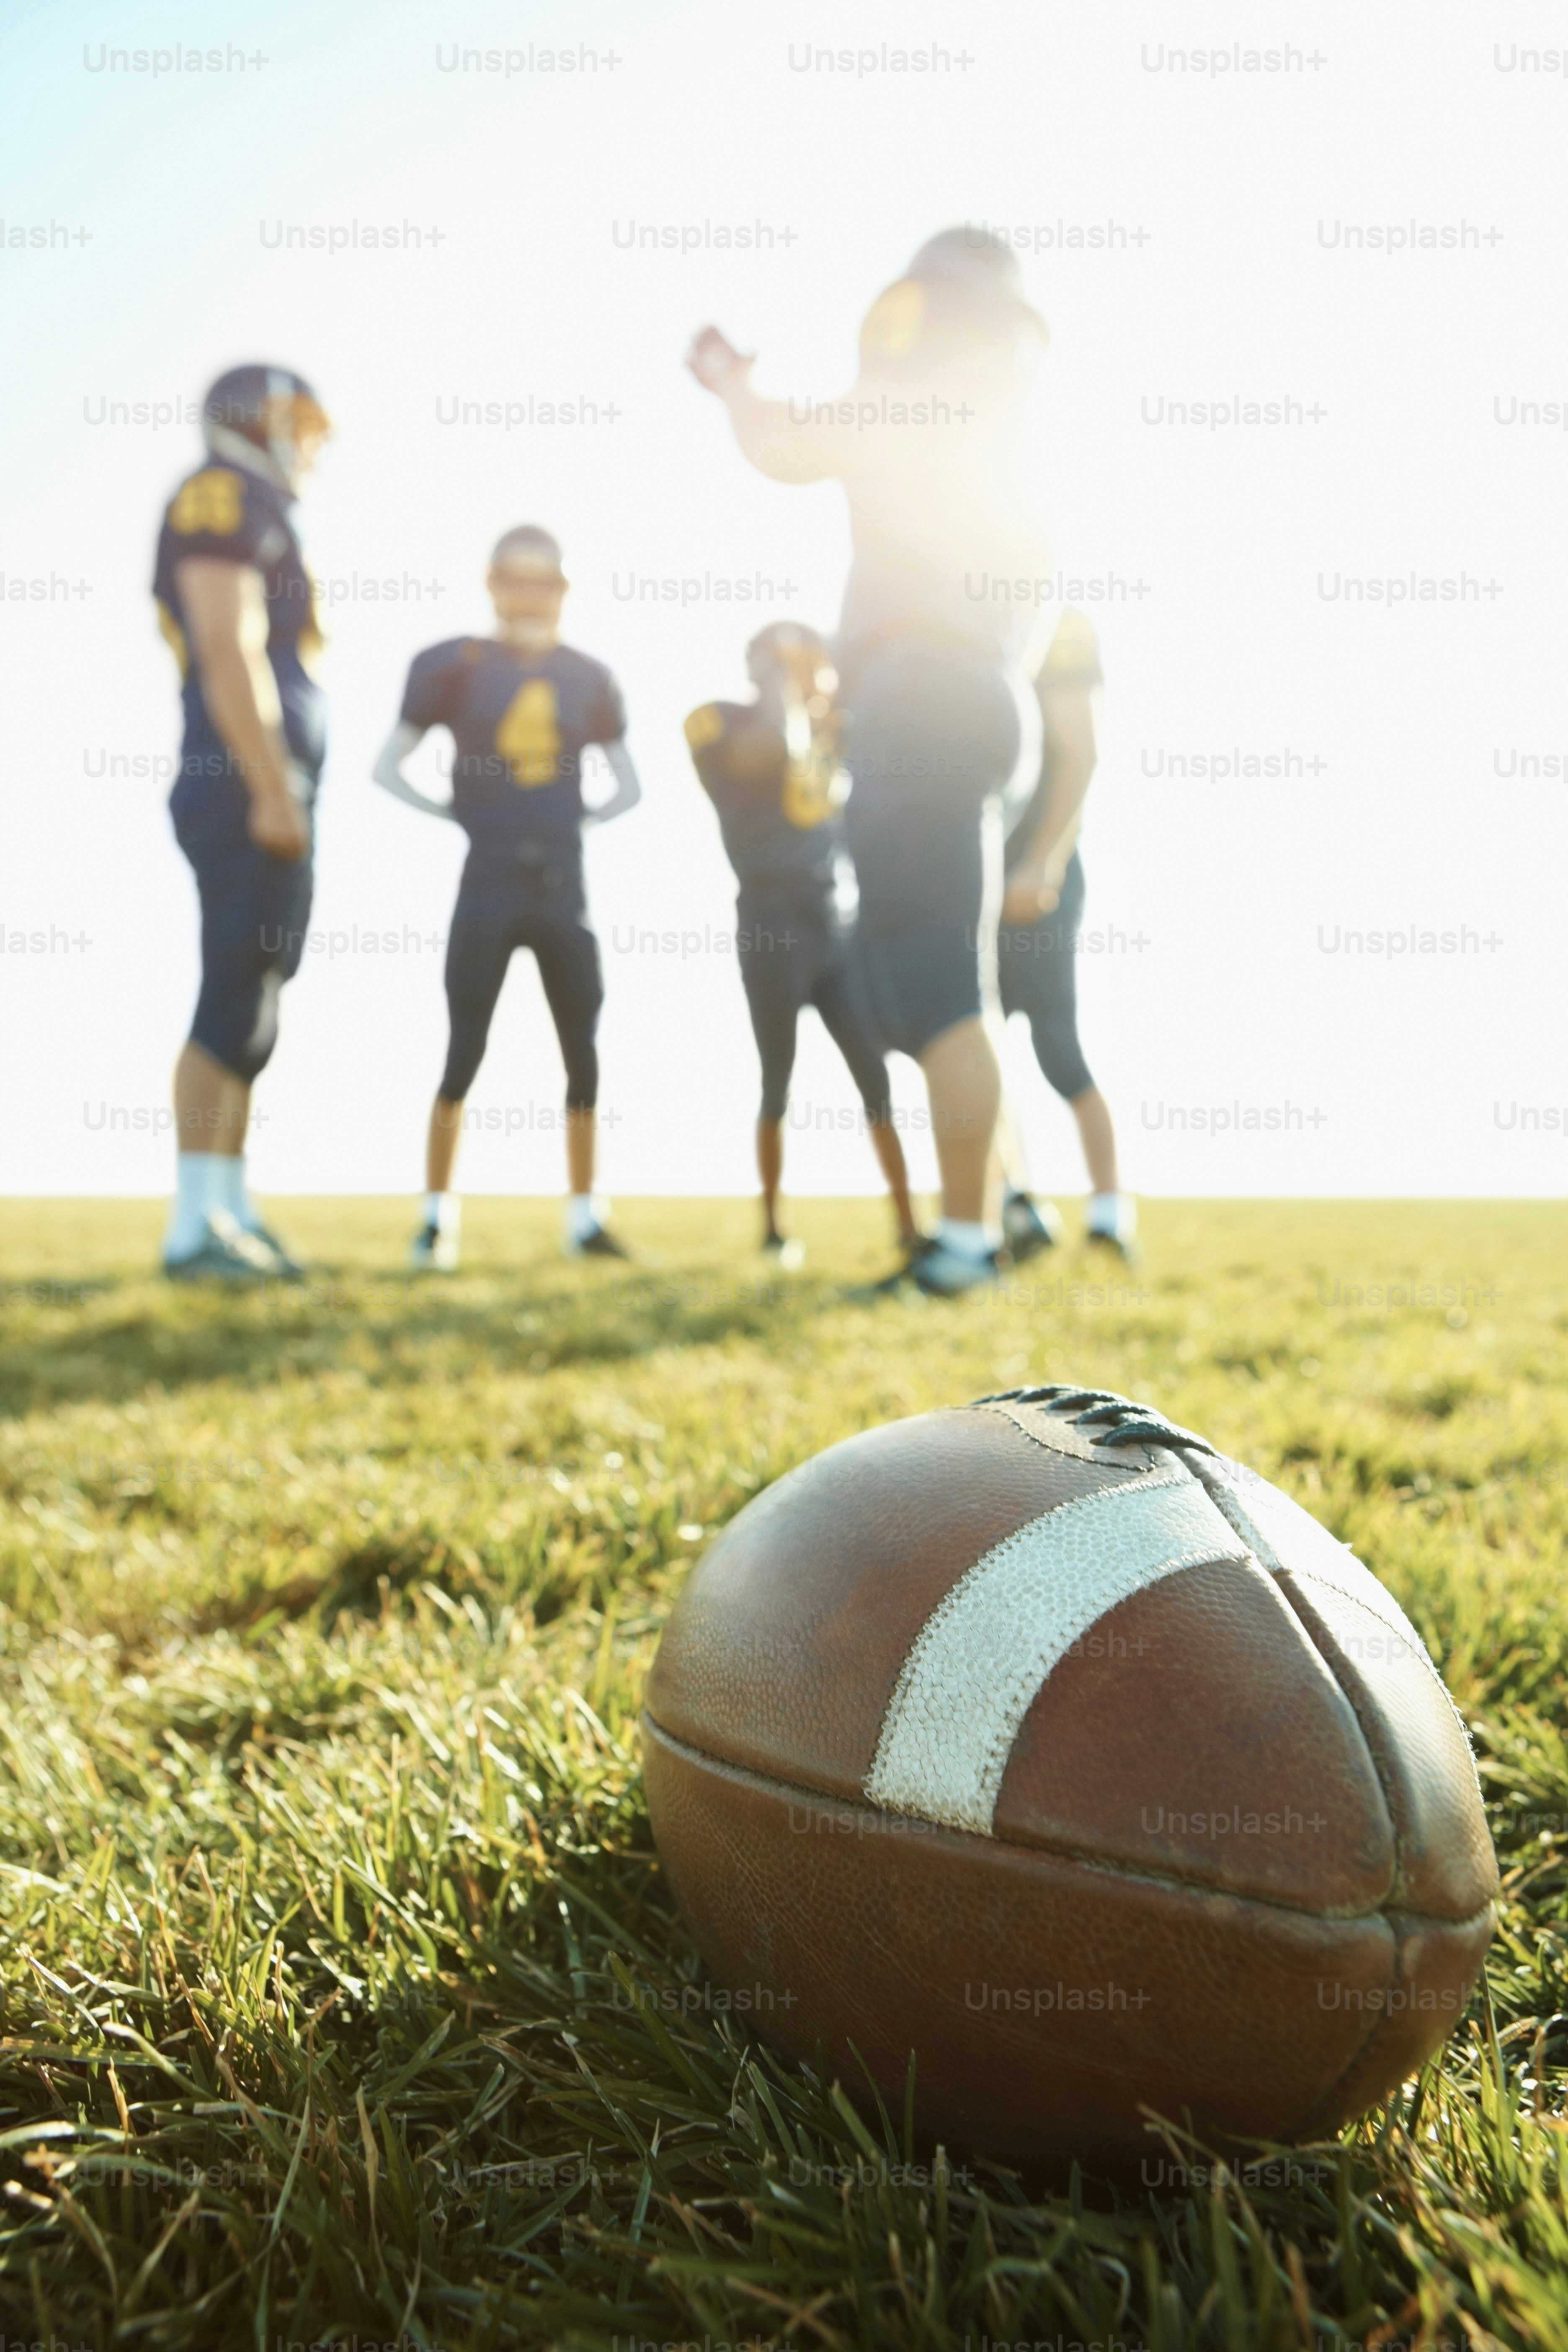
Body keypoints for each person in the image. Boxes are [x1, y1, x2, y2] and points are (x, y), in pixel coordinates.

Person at [687, 227, 1055, 1294]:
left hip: (919, 701)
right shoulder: (1015, 468)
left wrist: (732, 382)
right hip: (989, 702)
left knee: (938, 990)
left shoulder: (903, 413)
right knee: (953, 982)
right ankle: (1009, 1207)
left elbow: (780, 447)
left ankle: (965, 1246)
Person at [373, 526, 640, 1269]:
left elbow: (630, 785)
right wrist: (460, 818)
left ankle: (587, 1218)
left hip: (563, 882)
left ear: (563, 590)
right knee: (464, 1047)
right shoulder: (453, 665)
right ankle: (436, 1219)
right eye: (518, 579)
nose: (532, 595)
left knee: (583, 1051)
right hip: (487, 876)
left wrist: (571, 824)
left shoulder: (590, 675)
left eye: (546, 581)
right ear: (493, 584)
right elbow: (387, 767)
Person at [152, 364, 330, 1282]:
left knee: (257, 999)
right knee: (231, 989)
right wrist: (269, 784)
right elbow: (229, 643)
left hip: (267, 777)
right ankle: (190, 1228)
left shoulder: (259, 501)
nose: (306, 441)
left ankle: (225, 1204)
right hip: (239, 779)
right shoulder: (225, 493)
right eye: (293, 421)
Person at [684, 622, 922, 1266]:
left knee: (875, 1078)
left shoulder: (835, 731)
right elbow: (769, 752)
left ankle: (910, 1224)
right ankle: (773, 1227)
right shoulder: (718, 722)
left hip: (831, 922)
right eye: (799, 667)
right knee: (777, 1079)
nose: (816, 679)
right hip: (768, 920)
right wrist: (779, 689)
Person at [993, 609, 1138, 1262]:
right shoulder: (975, 623)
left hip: (1034, 874)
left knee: (1057, 1044)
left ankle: (1110, 1216)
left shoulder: (1061, 628)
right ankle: (1018, 1207)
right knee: (974, 1039)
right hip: (978, 866)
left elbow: (1081, 747)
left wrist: (1044, 858)